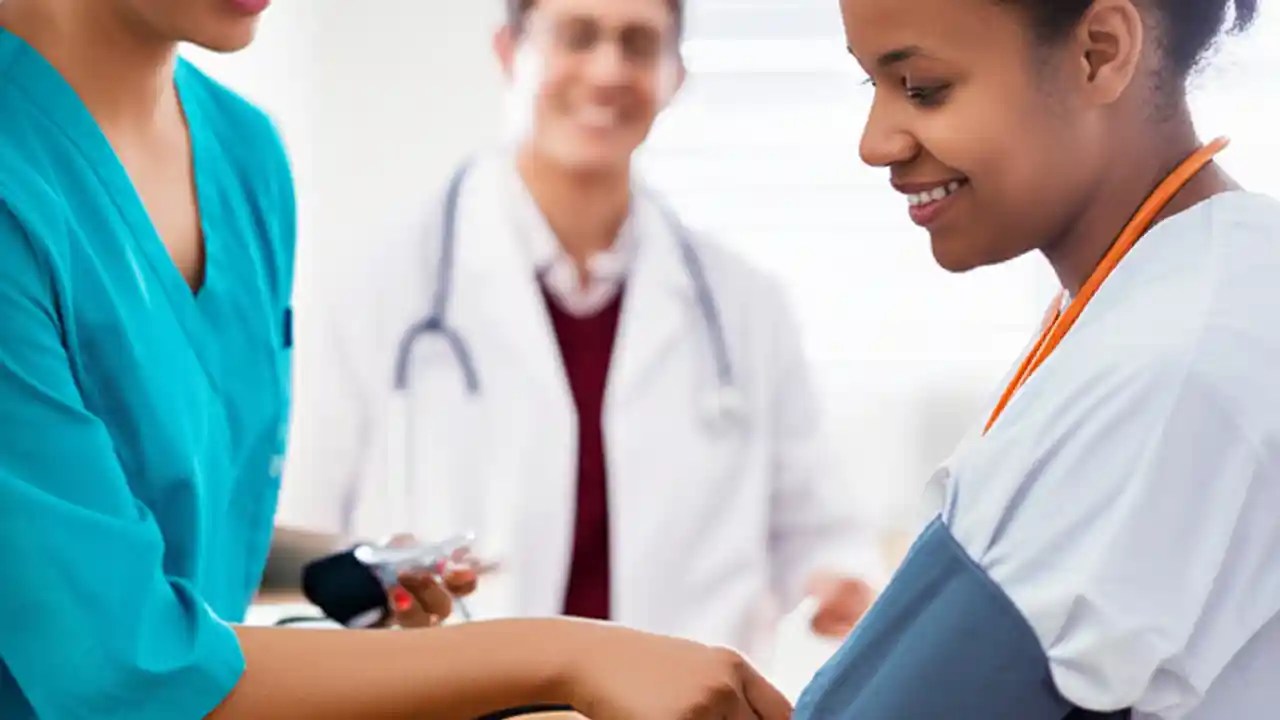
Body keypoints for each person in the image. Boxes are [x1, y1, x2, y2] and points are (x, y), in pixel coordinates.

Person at [0, 0, 795, 717]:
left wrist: (350, 584)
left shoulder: (245, 159)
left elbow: (177, 525)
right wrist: (566, 653)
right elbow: (121, 668)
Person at [277, 0, 883, 660]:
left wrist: (840, 583)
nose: (606, 70)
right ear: (509, 51)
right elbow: (302, 538)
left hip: (678, 699)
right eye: (578, 35)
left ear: (675, 75)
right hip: (456, 692)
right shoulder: (380, 288)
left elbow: (818, 531)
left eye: (639, 43)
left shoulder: (745, 305)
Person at [792, 0, 1279, 718]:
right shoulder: (1161, 296)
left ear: (1100, 52)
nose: (876, 143)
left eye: (923, 88)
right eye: (874, 86)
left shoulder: (1175, 361)